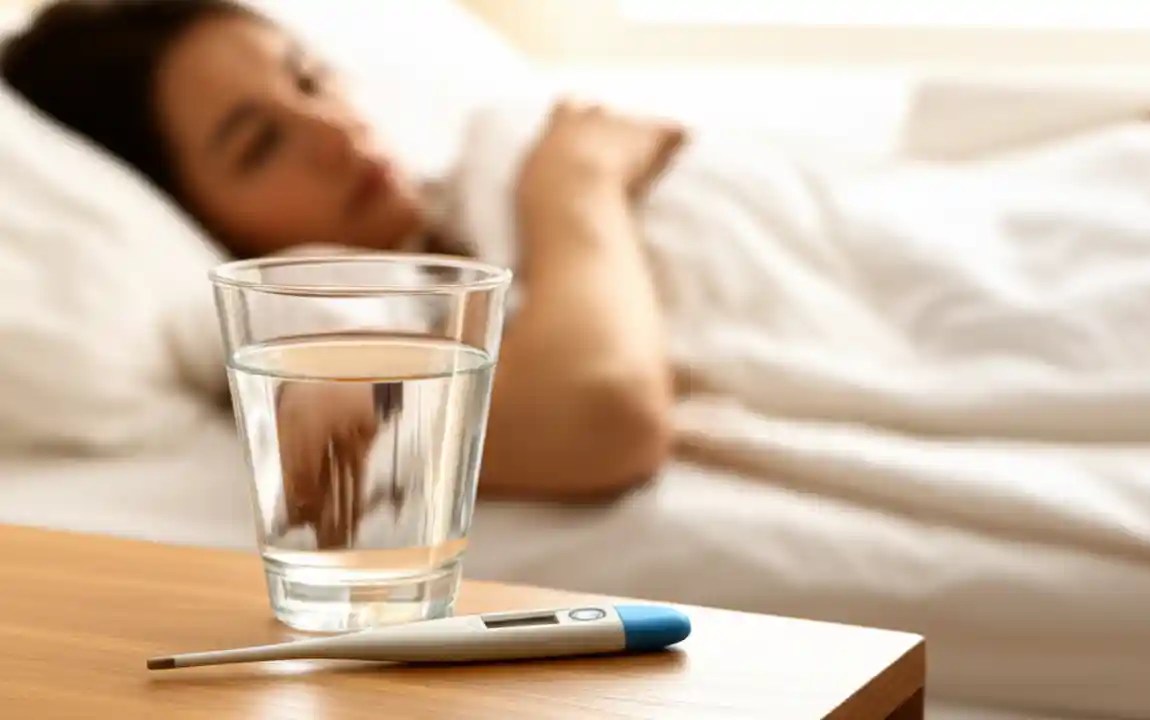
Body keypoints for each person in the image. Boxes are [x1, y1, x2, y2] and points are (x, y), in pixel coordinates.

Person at [1, 0, 682, 512]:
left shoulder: (472, 182)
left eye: (309, 80)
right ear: (179, 215)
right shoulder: (288, 314)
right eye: (259, 145)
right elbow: (594, 419)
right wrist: (577, 184)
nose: (330, 130)